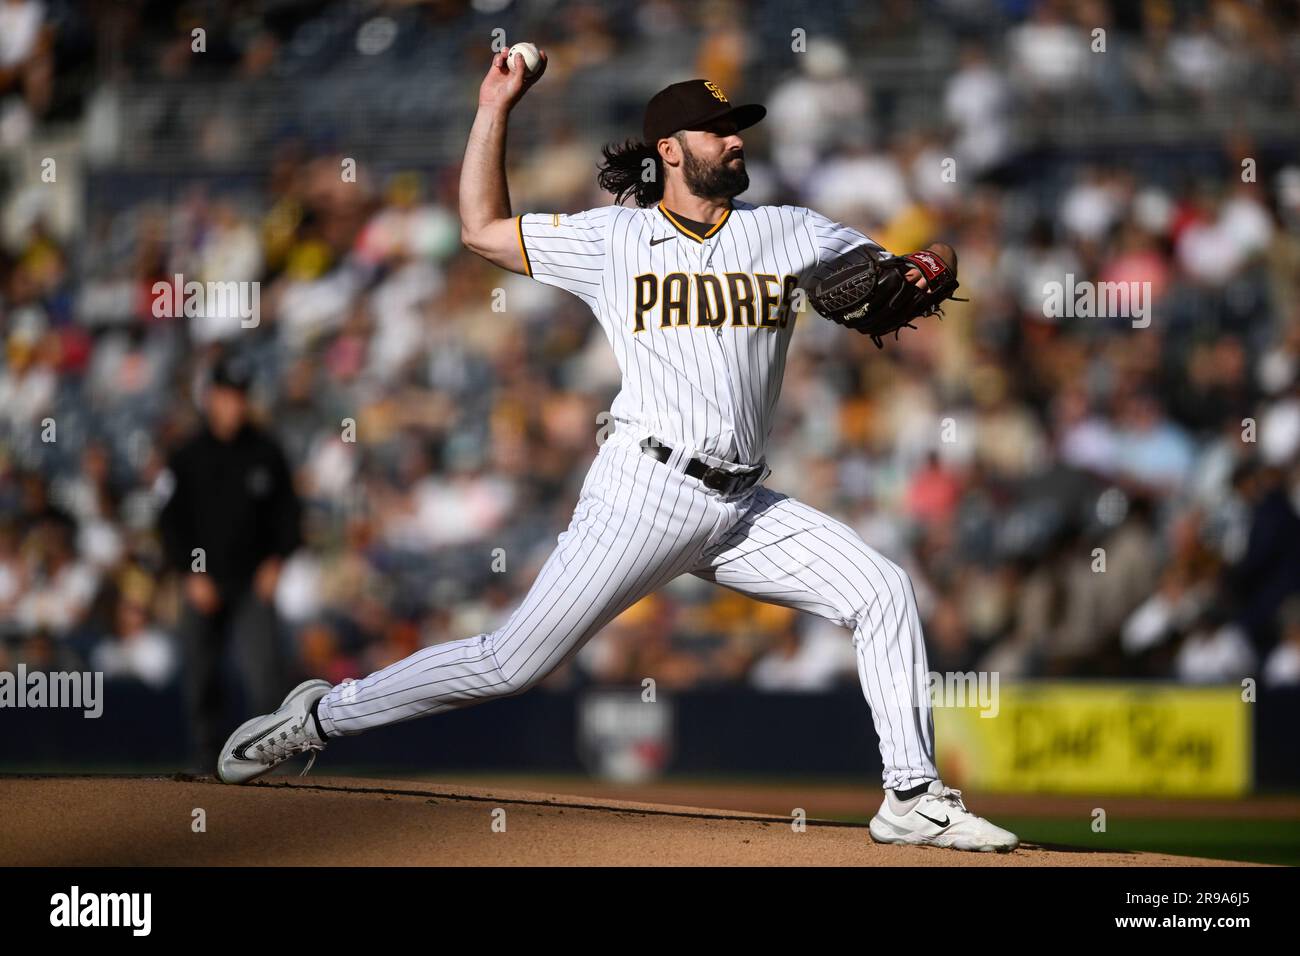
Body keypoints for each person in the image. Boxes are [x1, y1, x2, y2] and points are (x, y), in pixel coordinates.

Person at [217, 52, 1019, 853]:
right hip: (645, 489)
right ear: (670, 149)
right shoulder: (615, 239)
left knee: (881, 590)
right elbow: (481, 230)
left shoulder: (792, 230)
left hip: (740, 506)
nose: (737, 143)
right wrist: (495, 105)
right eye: (720, 132)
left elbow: (881, 279)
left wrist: (909, 274)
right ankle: (320, 716)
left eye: (739, 132)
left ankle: (910, 794)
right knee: (510, 664)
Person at [160, 353, 302, 768]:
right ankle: (206, 758)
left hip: (253, 581)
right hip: (202, 582)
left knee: (265, 675)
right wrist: (189, 573)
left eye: (240, 396)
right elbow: (170, 522)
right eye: (226, 396)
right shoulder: (187, 456)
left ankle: (275, 758)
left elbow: (288, 515)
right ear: (211, 398)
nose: (234, 405)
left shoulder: (266, 452)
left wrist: (276, 561)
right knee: (201, 676)